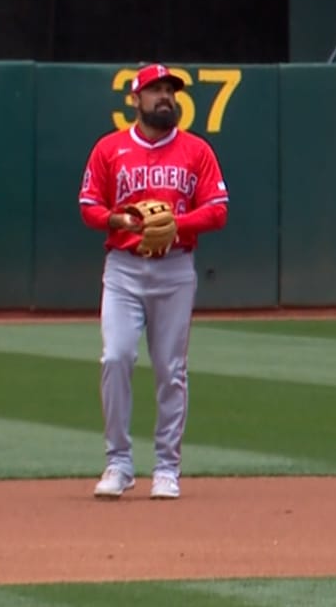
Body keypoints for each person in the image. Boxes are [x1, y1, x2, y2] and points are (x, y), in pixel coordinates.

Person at [78, 63, 229, 500]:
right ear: (135, 99)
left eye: (170, 90)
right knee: (115, 358)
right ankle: (119, 463)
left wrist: (176, 223)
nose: (165, 97)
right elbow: (89, 205)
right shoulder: (109, 149)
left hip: (175, 268)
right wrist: (116, 218)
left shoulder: (197, 151)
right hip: (124, 269)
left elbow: (217, 209)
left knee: (170, 370)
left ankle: (166, 467)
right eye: (155, 90)